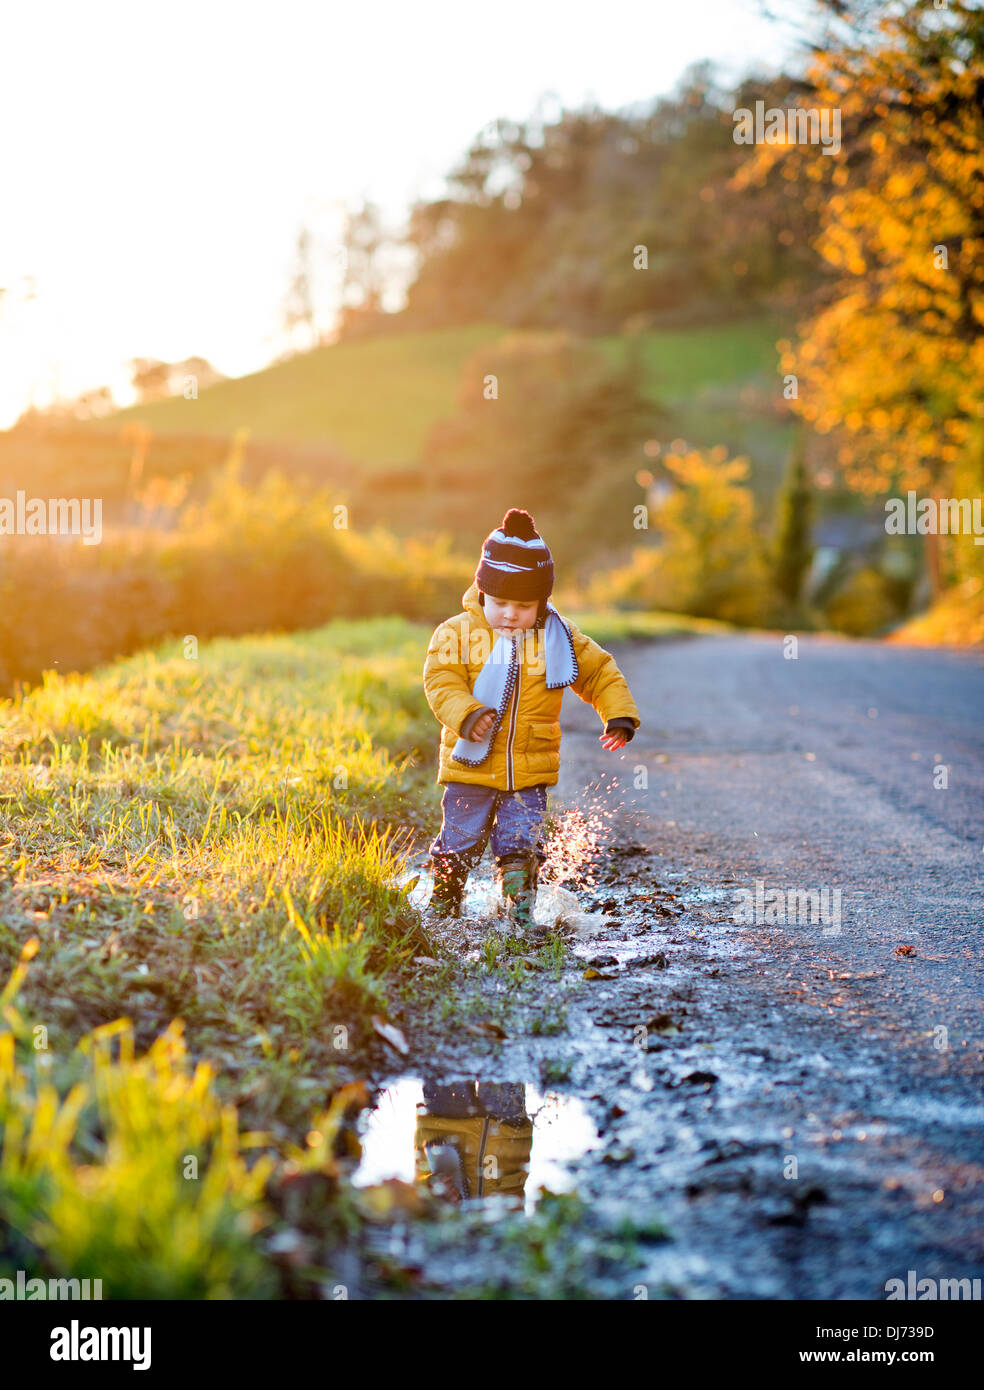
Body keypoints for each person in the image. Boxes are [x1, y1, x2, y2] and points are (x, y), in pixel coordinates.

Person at [422, 508, 640, 930]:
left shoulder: (558, 634)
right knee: (460, 840)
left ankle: (518, 914)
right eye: (499, 602)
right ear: (482, 592)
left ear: (542, 601)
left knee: (521, 844)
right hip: (469, 766)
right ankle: (444, 902)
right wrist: (467, 714)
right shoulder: (456, 633)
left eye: (523, 605)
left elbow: (599, 671)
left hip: (530, 768)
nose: (509, 613)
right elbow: (440, 681)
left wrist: (619, 715)